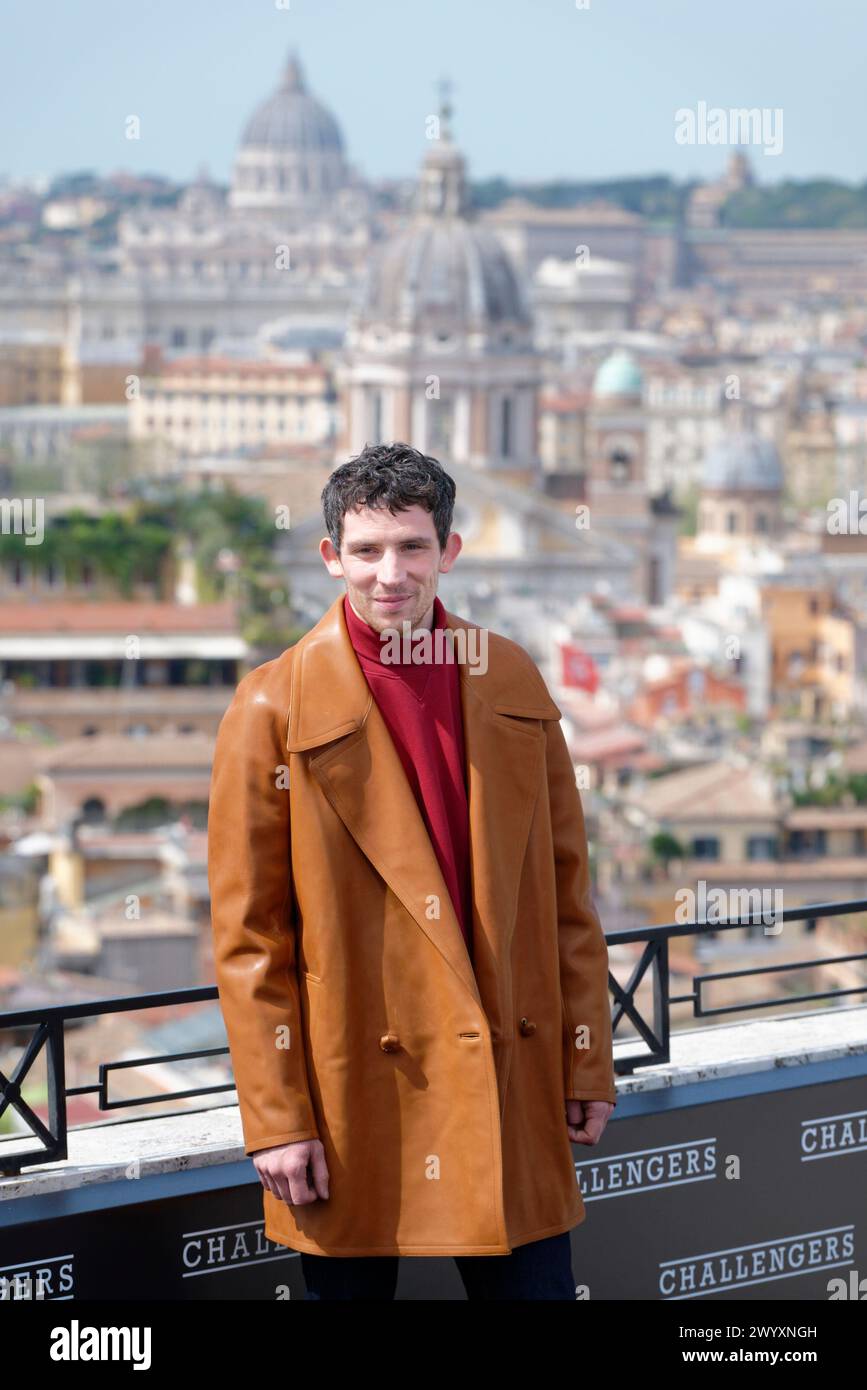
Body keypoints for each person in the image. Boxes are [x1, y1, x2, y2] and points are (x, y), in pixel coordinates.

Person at [207, 442, 617, 1301]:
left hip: (509, 1072)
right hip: (354, 1089)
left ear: (449, 551)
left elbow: (565, 893)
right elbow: (250, 941)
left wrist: (586, 1060)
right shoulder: (271, 704)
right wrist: (276, 1121)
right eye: (366, 551)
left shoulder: (506, 671)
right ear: (331, 559)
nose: (389, 574)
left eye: (411, 547)